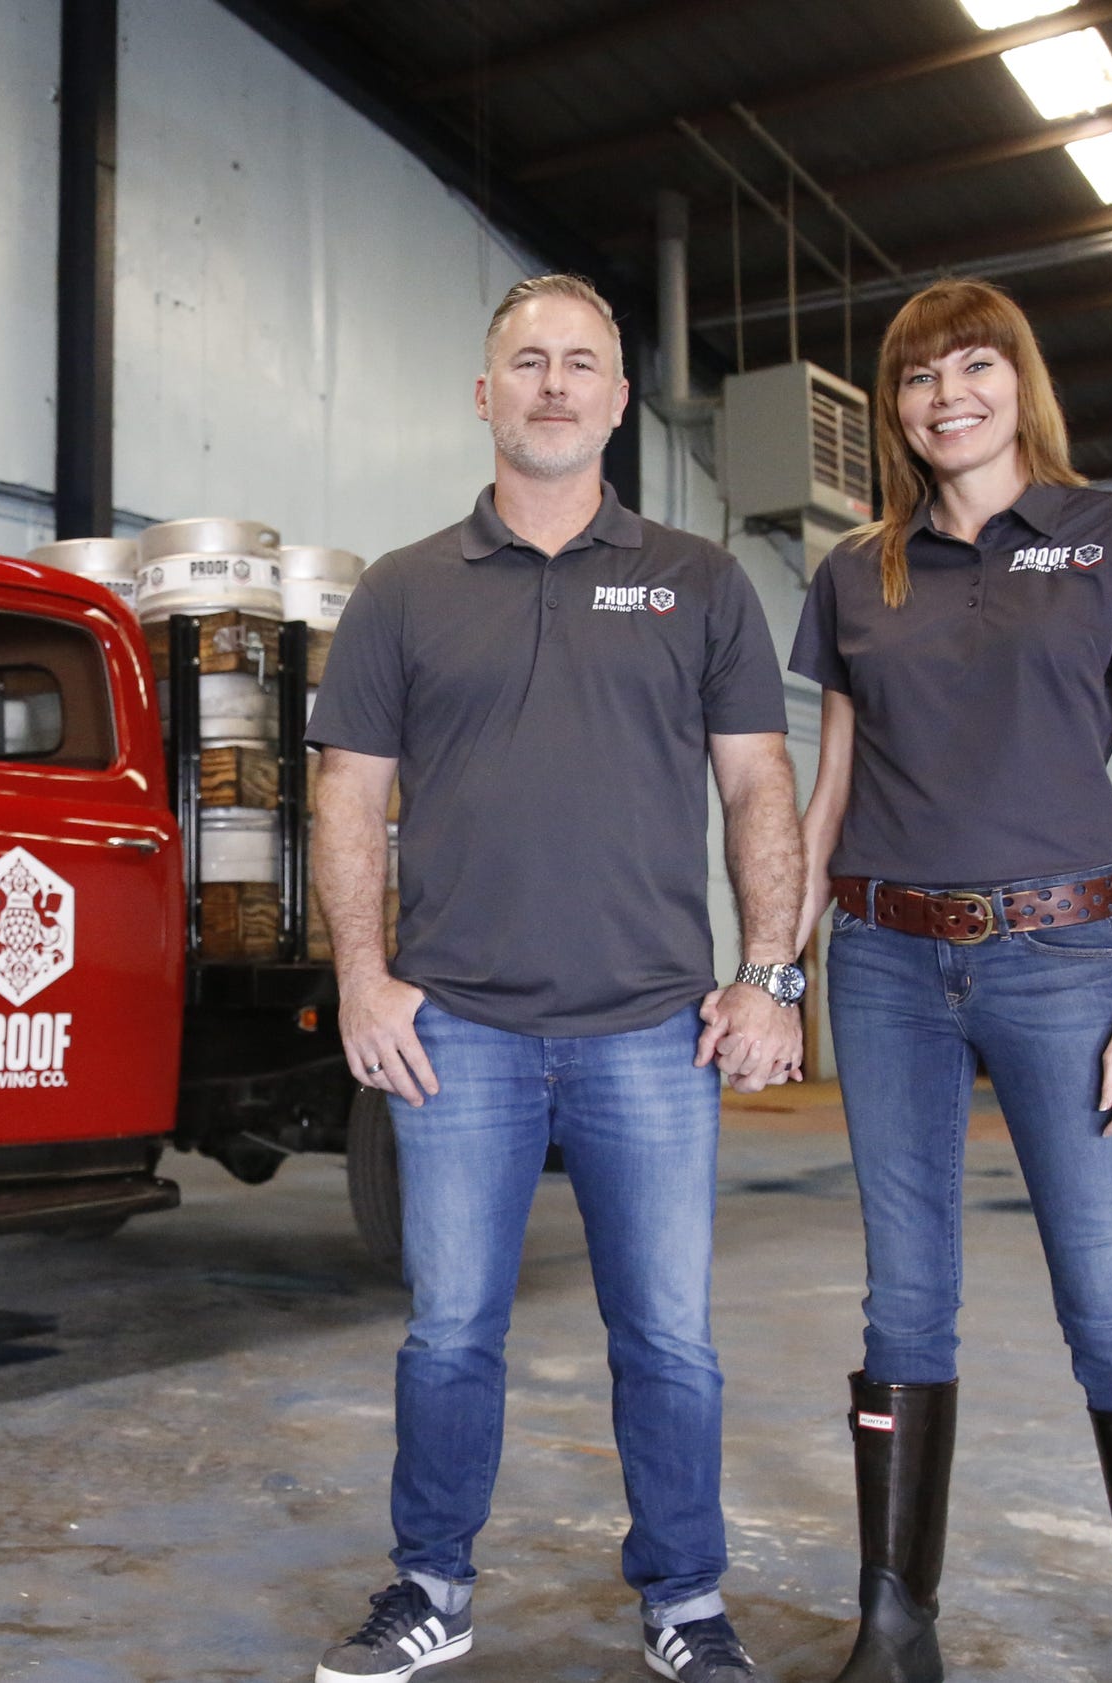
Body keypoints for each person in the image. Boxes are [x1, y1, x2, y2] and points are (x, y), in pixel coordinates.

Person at [304, 273, 810, 1683]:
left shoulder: (701, 581)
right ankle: (431, 1588)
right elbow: (348, 794)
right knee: (449, 1333)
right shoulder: (403, 590)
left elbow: (760, 783)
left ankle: (687, 1599)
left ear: (619, 400)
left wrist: (771, 975)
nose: (553, 385)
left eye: (581, 363)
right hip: (457, 1027)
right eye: (528, 362)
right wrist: (362, 977)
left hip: (652, 1028)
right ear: (485, 394)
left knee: (669, 1341)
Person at [788, 277, 1112, 1683]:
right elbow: (829, 791)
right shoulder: (858, 570)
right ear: (895, 409)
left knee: (1110, 1300)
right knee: (904, 1298)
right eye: (919, 378)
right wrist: (775, 969)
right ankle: (895, 1627)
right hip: (883, 960)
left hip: (1063, 959)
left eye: (974, 366)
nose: (948, 396)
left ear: (1019, 379)